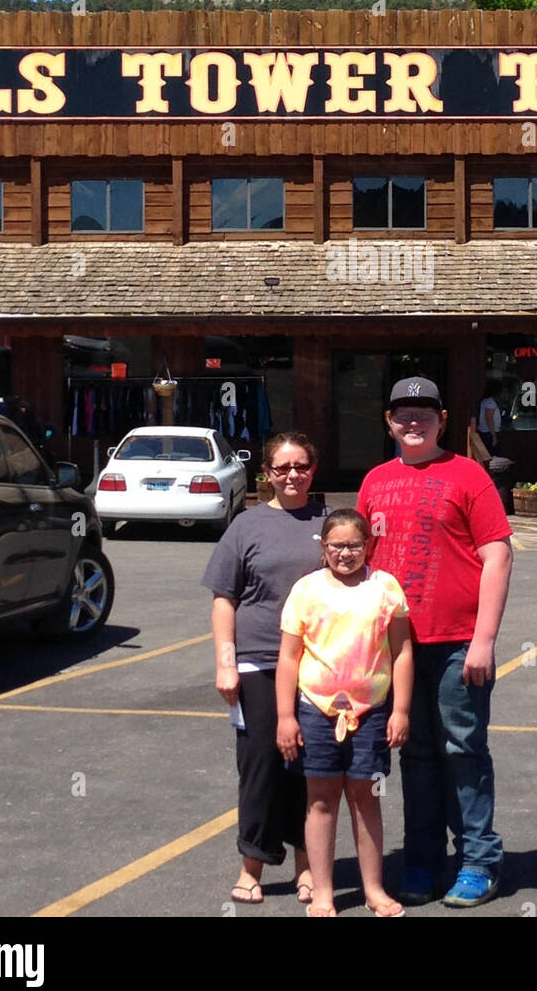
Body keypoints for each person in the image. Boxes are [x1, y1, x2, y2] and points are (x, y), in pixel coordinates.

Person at [357, 377, 513, 909]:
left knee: (464, 751)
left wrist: (483, 640)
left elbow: (498, 555)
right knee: (416, 754)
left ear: (442, 420)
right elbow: (359, 563)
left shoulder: (469, 476)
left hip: (456, 644)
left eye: (425, 411)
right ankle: (423, 859)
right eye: (403, 412)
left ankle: (478, 862)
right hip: (395, 647)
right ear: (389, 421)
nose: (413, 421)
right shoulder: (375, 481)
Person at [203, 431, 326, 905]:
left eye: (301, 466)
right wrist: (225, 664)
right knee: (259, 765)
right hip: (257, 662)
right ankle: (252, 864)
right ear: (267, 474)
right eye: (282, 468)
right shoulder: (246, 526)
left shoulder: (329, 522)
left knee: (308, 766)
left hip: (317, 665)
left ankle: (307, 865)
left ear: (313, 470)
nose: (292, 475)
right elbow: (223, 600)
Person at [276, 508, 413, 918]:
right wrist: (286, 716)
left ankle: (373, 888)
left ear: (368, 545)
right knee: (320, 801)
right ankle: (322, 892)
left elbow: (403, 653)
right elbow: (288, 658)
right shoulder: (305, 590)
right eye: (336, 545)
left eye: (354, 545)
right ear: (323, 547)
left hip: (370, 712)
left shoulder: (385, 588)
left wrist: (400, 710)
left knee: (366, 798)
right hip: (316, 710)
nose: (346, 553)